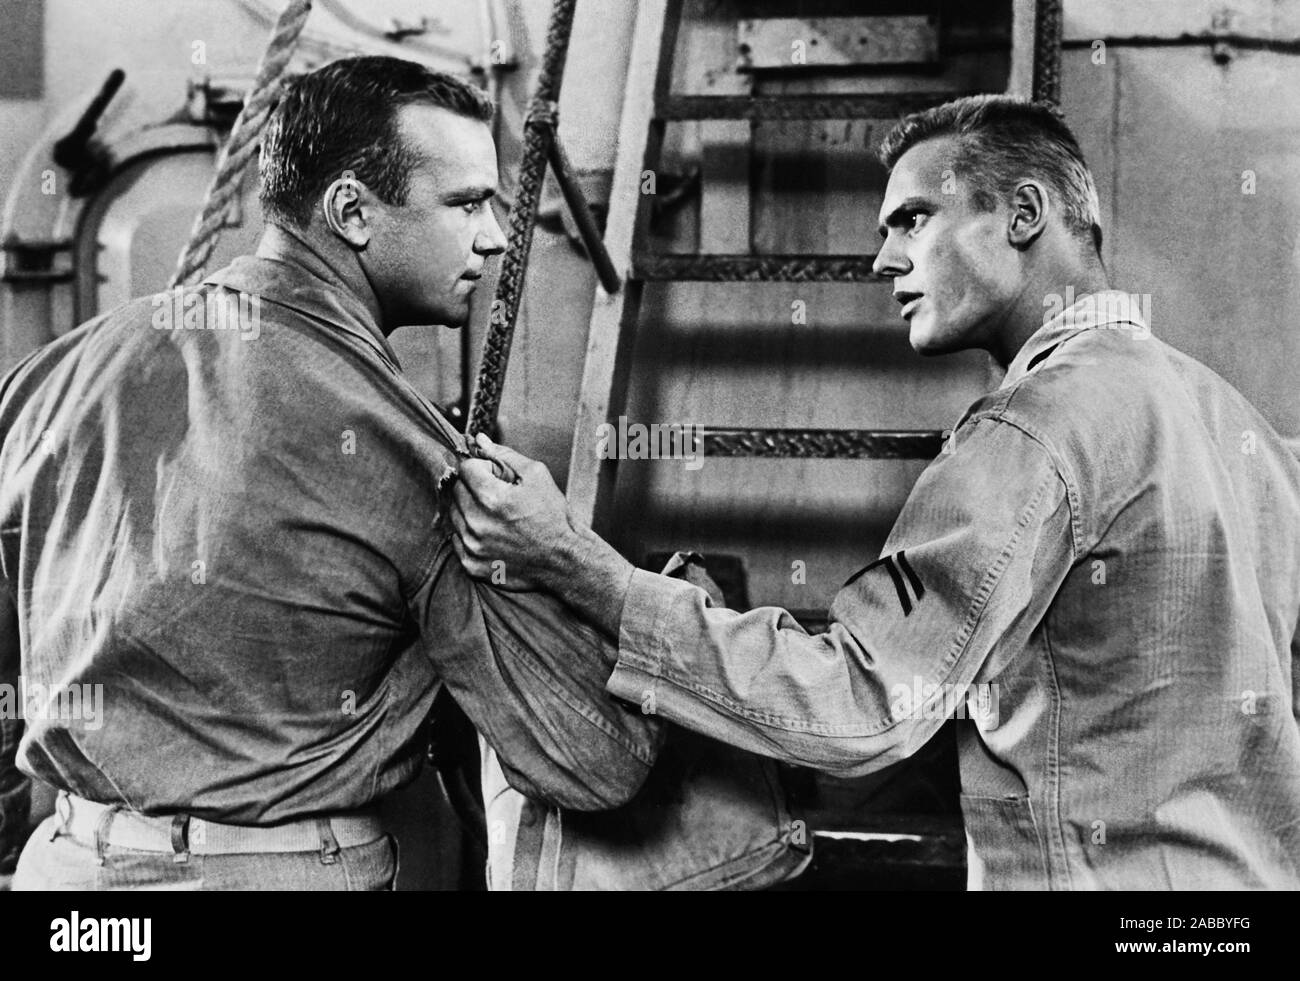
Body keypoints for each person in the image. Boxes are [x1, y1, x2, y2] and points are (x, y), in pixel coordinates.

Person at [451, 95, 1300, 890]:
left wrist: (568, 559)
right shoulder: (1235, 419)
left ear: (1024, 215)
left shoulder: (1034, 427)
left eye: (914, 219)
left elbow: (858, 703)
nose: (883, 259)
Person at [0, 55, 659, 891]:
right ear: (350, 210)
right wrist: (598, 579)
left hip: (66, 875)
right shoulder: (413, 452)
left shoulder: (53, 374)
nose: (494, 236)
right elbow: (587, 761)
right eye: (465, 203)